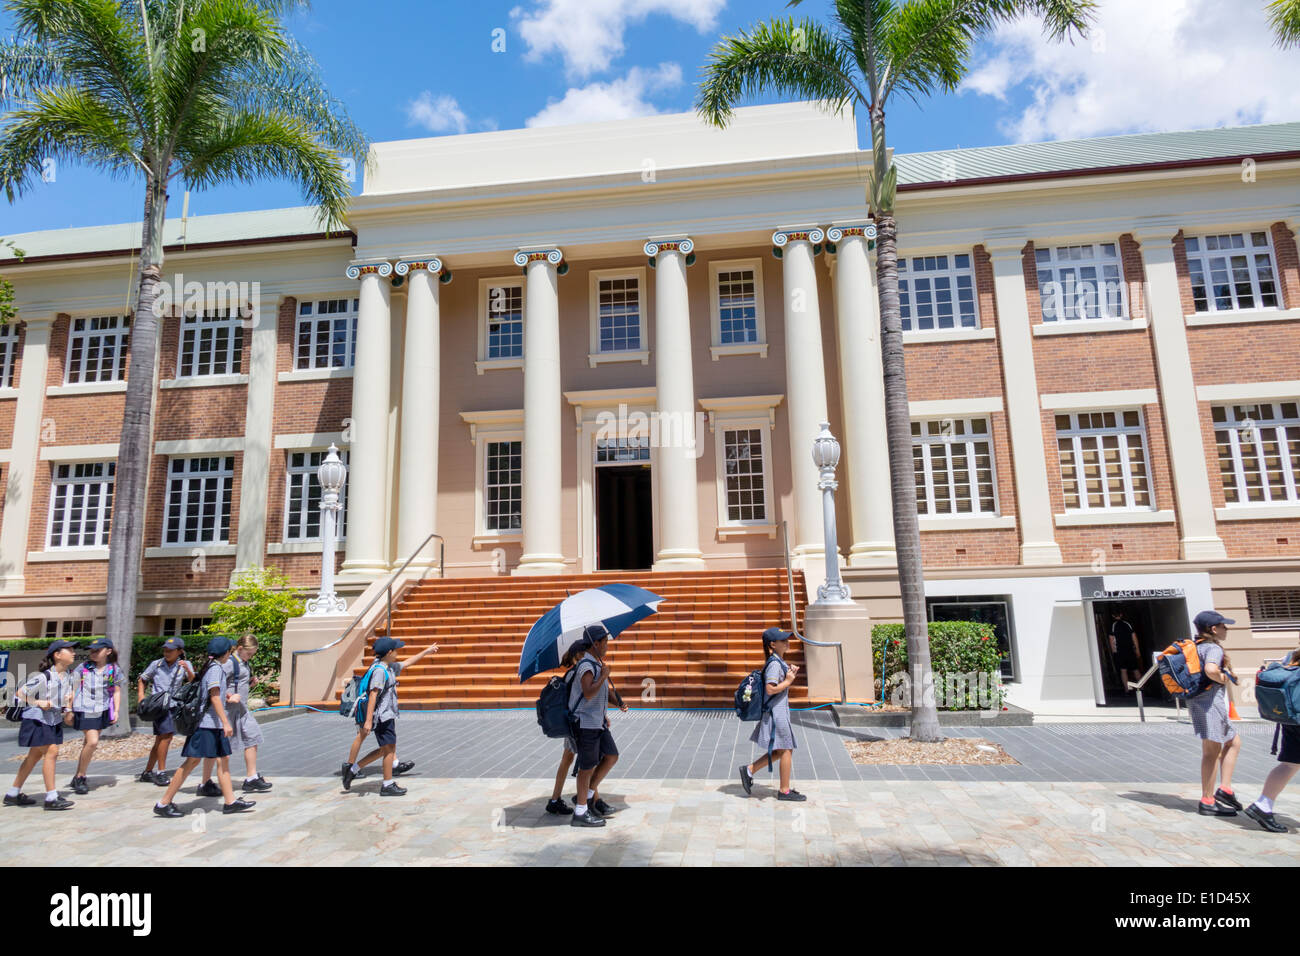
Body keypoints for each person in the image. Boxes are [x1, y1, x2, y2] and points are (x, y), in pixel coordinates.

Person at [152, 637, 255, 818]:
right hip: (208, 725)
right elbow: (214, 697)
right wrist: (225, 722)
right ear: (226, 653)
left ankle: (230, 802)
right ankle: (163, 802)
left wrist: (227, 695)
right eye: (229, 651)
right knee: (191, 762)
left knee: (223, 759)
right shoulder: (215, 669)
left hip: (212, 724)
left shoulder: (211, 667)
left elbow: (213, 693)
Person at [341, 636, 439, 795]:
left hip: (387, 715)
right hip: (382, 716)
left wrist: (426, 651)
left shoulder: (389, 666)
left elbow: (407, 663)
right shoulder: (380, 671)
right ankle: (387, 785)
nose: (398, 652)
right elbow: (373, 695)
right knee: (388, 750)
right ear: (389, 652)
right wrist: (368, 721)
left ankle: (353, 769)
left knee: (386, 749)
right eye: (396, 650)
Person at [4, 640, 78, 811]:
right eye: (69, 650)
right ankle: (51, 797)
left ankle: (13, 794)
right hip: (37, 719)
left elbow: (66, 698)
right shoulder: (43, 677)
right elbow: (19, 695)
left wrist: (68, 709)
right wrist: (38, 702)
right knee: (52, 751)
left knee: (34, 757)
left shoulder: (67, 676)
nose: (73, 653)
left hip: (52, 720)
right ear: (57, 655)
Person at [197, 634, 271, 796]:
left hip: (241, 709)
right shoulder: (229, 663)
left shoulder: (243, 663)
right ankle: (205, 782)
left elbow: (236, 681)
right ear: (239, 649)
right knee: (218, 749)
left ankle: (251, 777)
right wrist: (229, 696)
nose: (251, 657)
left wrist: (249, 681)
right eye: (249, 653)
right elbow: (213, 686)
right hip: (227, 710)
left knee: (252, 736)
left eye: (253, 654)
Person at [1186, 610, 1242, 817]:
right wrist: (1224, 678)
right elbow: (1210, 670)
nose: (1226, 629)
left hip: (1200, 703)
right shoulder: (1212, 648)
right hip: (1209, 705)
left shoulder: (1197, 646)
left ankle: (1225, 789)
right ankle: (1208, 800)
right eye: (1223, 626)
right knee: (1211, 752)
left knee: (1233, 742)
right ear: (1213, 629)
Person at [739, 627, 804, 801]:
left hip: (778, 712)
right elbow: (770, 688)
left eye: (786, 639)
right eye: (782, 640)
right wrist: (789, 681)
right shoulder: (775, 664)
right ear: (772, 645)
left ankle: (749, 770)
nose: (787, 642)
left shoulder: (777, 661)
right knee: (786, 750)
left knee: (780, 750)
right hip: (776, 714)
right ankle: (784, 791)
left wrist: (790, 674)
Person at [568, 624, 622, 828]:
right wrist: (604, 676)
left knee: (611, 756)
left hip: (598, 722)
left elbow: (602, 693)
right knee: (586, 767)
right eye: (605, 643)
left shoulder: (597, 665)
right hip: (585, 723)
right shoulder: (586, 666)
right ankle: (580, 812)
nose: (607, 646)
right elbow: (589, 692)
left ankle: (588, 796)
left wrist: (618, 701)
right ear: (596, 643)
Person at [1244, 647, 1300, 833]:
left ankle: (1263, 805)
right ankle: (1263, 805)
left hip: (1291, 719)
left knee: (1290, 764)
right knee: (1290, 764)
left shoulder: (1291, 656)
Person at [68, 638, 124, 795]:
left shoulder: (113, 669)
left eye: (97, 650)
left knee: (87, 743)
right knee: (93, 742)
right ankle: (80, 776)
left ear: (108, 651)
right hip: (84, 708)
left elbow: (117, 691)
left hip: (102, 709)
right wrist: (69, 709)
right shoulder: (83, 668)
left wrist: (116, 710)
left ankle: (78, 776)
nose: (93, 653)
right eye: (91, 650)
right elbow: (73, 689)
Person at [137, 637, 195, 786]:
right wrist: (141, 698)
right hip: (159, 706)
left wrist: (187, 669)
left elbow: (193, 682)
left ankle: (148, 772)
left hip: (174, 705)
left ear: (179, 651)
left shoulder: (185, 664)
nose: (167, 653)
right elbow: (142, 679)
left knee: (160, 740)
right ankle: (161, 772)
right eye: (165, 650)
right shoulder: (156, 664)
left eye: (170, 650)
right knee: (166, 738)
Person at [1109, 608, 1142, 688]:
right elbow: (1134, 637)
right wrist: (1137, 650)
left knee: (1123, 671)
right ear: (1121, 615)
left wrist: (1114, 652)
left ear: (1113, 616)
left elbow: (1111, 640)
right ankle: (1141, 688)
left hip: (1120, 651)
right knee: (1135, 669)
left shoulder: (1113, 626)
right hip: (1130, 650)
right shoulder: (1127, 624)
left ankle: (1127, 690)